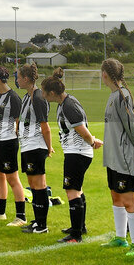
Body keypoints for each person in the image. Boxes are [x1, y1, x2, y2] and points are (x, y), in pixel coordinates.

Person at [42, 68, 104, 243]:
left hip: (77, 153)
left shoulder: (69, 106)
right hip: (76, 152)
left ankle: (75, 235)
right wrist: (92, 141)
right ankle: (79, 227)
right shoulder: (66, 103)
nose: (43, 96)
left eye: (44, 93)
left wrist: (92, 141)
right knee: (77, 189)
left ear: (52, 93)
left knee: (71, 191)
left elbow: (82, 130)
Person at [99, 59, 134, 256]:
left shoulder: (123, 96)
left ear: (105, 74)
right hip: (112, 156)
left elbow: (131, 126)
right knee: (115, 195)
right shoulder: (112, 95)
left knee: (128, 199)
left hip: (124, 157)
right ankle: (121, 238)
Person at [0, 66, 27, 226]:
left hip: (7, 143)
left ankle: (21, 216)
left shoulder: (14, 97)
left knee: (12, 178)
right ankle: (0, 212)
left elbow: (19, 122)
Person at [16, 62, 52, 233]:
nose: (16, 80)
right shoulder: (26, 96)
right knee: (32, 183)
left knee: (39, 185)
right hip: (27, 145)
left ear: (26, 78)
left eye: (18, 77)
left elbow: (45, 126)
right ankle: (37, 221)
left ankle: (42, 225)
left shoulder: (38, 97)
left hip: (35, 145)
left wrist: (49, 147)